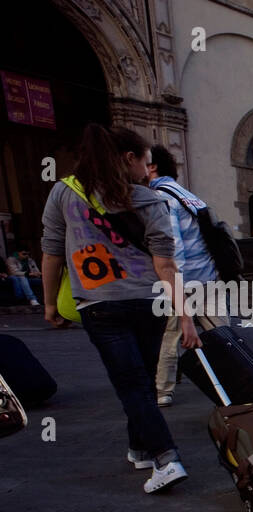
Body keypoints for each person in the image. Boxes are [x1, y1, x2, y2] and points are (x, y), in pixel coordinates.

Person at [40, 123, 195, 492]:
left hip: (100, 304)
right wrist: (184, 316)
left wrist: (49, 303)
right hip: (148, 303)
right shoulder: (150, 200)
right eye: (146, 162)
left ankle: (165, 458)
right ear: (129, 159)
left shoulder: (63, 193)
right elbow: (166, 265)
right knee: (139, 378)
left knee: (132, 383)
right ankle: (140, 448)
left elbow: (51, 253)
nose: (148, 170)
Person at [147, 144, 224, 408]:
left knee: (170, 337)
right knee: (222, 335)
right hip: (208, 276)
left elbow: (172, 248)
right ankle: (234, 379)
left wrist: (173, 285)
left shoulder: (160, 197)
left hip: (184, 278)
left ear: (153, 167)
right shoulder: (189, 196)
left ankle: (163, 390)